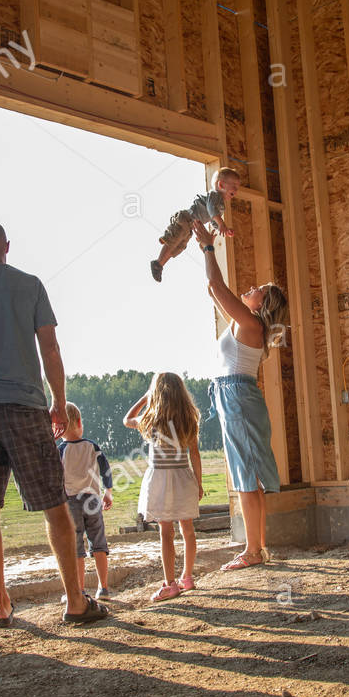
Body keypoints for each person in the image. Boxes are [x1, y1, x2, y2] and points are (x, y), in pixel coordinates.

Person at [0, 220, 109, 627]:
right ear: (7, 247)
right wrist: (60, 403)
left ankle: (0, 605)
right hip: (25, 406)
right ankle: (74, 602)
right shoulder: (30, 285)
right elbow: (49, 347)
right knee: (54, 506)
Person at [191, 220, 289, 571]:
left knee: (246, 475)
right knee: (248, 475)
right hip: (234, 396)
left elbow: (217, 284)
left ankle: (252, 551)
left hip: (238, 397)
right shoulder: (243, 323)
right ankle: (257, 548)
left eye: (259, 288)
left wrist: (207, 247)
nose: (251, 287)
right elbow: (212, 289)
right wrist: (205, 246)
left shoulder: (252, 324)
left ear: (263, 304)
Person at [123, 373, 205, 600]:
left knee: (165, 533)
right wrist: (199, 483)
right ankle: (187, 577)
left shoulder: (149, 420)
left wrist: (143, 399)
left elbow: (126, 420)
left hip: (160, 482)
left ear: (156, 394)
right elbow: (195, 454)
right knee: (188, 531)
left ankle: (170, 584)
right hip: (183, 479)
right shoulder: (189, 419)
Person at [58, 402, 115, 600]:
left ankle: (80, 590)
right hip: (92, 500)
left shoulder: (61, 451)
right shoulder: (93, 447)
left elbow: (56, 478)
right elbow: (105, 469)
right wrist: (108, 492)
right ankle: (104, 587)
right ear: (80, 421)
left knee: (76, 546)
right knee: (98, 541)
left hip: (71, 502)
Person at [150, 167, 241, 282]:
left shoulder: (221, 206)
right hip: (185, 219)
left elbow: (213, 220)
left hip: (190, 228)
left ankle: (160, 265)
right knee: (174, 239)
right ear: (221, 185)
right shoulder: (214, 195)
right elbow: (211, 208)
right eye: (234, 185)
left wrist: (223, 229)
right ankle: (158, 262)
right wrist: (221, 223)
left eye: (238, 187)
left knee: (179, 246)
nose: (236, 190)